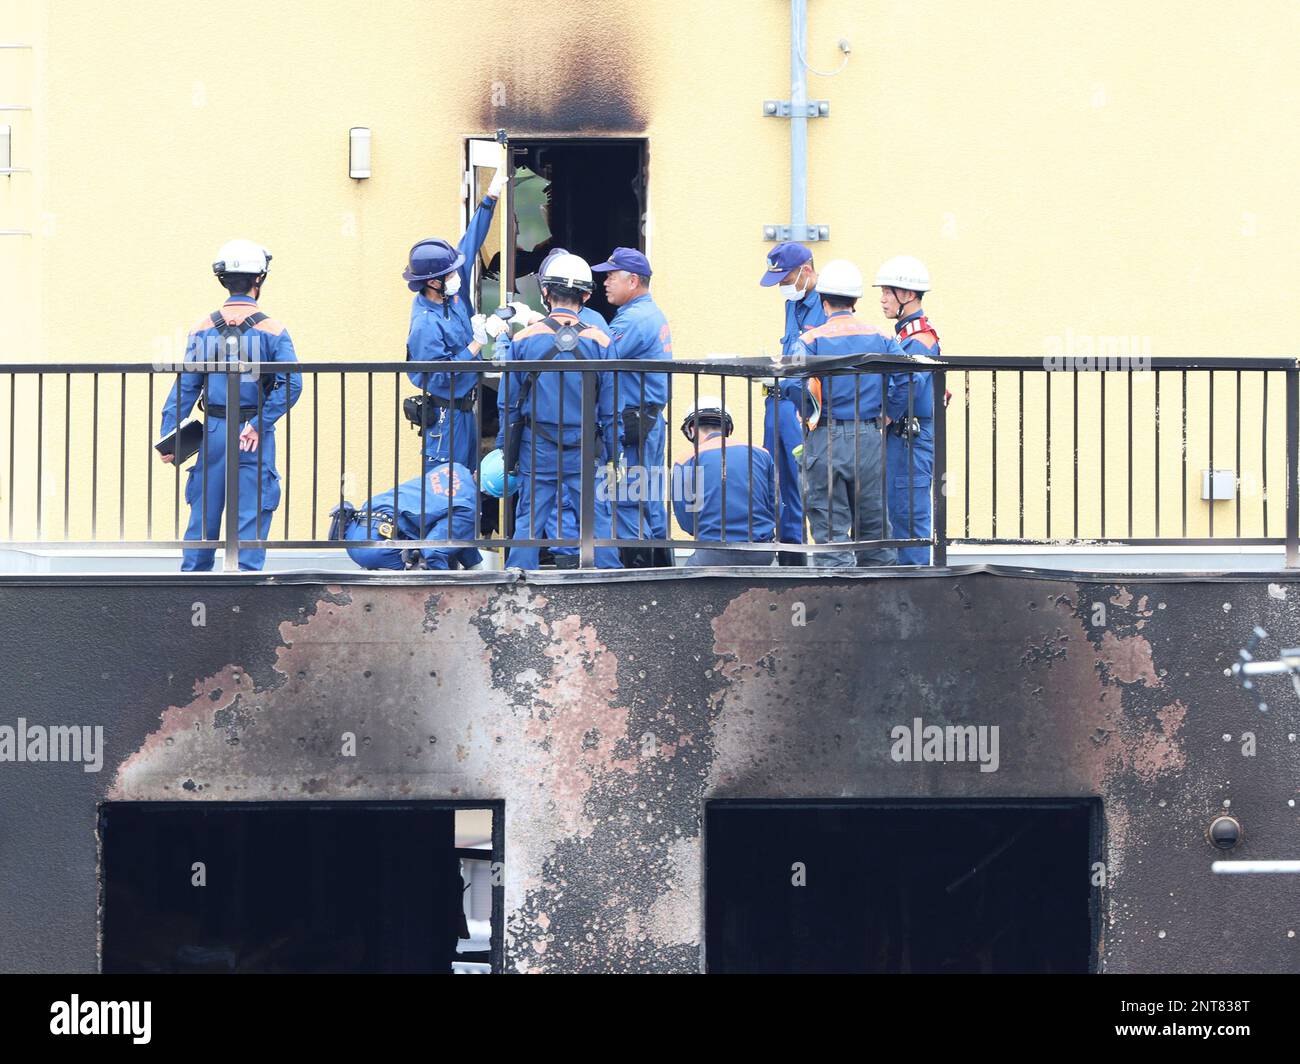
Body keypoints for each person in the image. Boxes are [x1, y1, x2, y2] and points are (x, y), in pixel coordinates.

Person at [158, 239, 302, 571]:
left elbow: (186, 386)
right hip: (252, 432)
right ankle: (246, 586)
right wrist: (260, 424)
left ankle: (194, 580)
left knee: (204, 508)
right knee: (252, 509)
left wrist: (170, 437)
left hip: (213, 431)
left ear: (223, 280)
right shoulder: (273, 330)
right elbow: (291, 383)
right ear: (259, 280)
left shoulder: (202, 330)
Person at [496, 253, 622, 570]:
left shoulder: (523, 339)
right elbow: (610, 407)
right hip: (585, 445)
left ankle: (516, 588)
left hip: (536, 446)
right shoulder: (602, 341)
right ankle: (613, 588)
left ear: (545, 293)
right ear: (586, 295)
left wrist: (506, 449)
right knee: (596, 521)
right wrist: (612, 453)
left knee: (529, 520)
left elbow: (508, 403)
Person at [792, 259, 906, 567]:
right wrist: (889, 413)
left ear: (823, 300)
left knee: (830, 531)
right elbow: (909, 377)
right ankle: (881, 604)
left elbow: (794, 384)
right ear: (855, 301)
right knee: (875, 532)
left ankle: (837, 605)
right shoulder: (881, 338)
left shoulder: (811, 340)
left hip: (826, 436)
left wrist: (810, 416)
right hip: (869, 437)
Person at [403, 167, 507, 472]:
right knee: (445, 490)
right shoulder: (424, 323)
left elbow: (469, 243)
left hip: (467, 411)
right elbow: (440, 378)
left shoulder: (451, 291)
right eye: (448, 273)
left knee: (467, 486)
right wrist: (478, 342)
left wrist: (490, 198)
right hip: (446, 418)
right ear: (432, 282)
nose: (455, 275)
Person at [591, 247, 674, 567]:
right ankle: (660, 570)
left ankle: (637, 572)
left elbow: (600, 358)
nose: (606, 282)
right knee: (648, 498)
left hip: (635, 421)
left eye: (612, 276)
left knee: (627, 497)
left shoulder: (636, 319)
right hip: (646, 420)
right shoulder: (646, 313)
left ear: (634, 280)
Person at [759, 241, 826, 565]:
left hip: (805, 408)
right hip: (781, 401)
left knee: (804, 483)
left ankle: (809, 558)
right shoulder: (793, 304)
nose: (784, 288)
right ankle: (788, 557)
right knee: (777, 482)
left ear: (806, 271)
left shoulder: (825, 305)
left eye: (786, 280)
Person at [875, 256, 940, 565]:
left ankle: (915, 589)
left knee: (908, 516)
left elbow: (910, 384)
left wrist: (886, 413)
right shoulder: (905, 336)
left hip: (909, 439)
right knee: (895, 513)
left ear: (908, 295)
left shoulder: (919, 340)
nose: (883, 299)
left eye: (889, 292)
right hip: (902, 439)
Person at [672, 398, 776, 566]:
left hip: (713, 553)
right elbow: (775, 505)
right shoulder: (761, 453)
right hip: (761, 551)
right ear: (728, 428)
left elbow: (686, 521)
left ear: (691, 430)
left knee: (684, 588)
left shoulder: (685, 460)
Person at [331, 462, 482, 571]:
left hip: (354, 535)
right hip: (383, 546)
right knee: (423, 574)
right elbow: (434, 550)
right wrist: (448, 584)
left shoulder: (452, 468)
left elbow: (457, 534)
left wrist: (473, 563)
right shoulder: (469, 508)